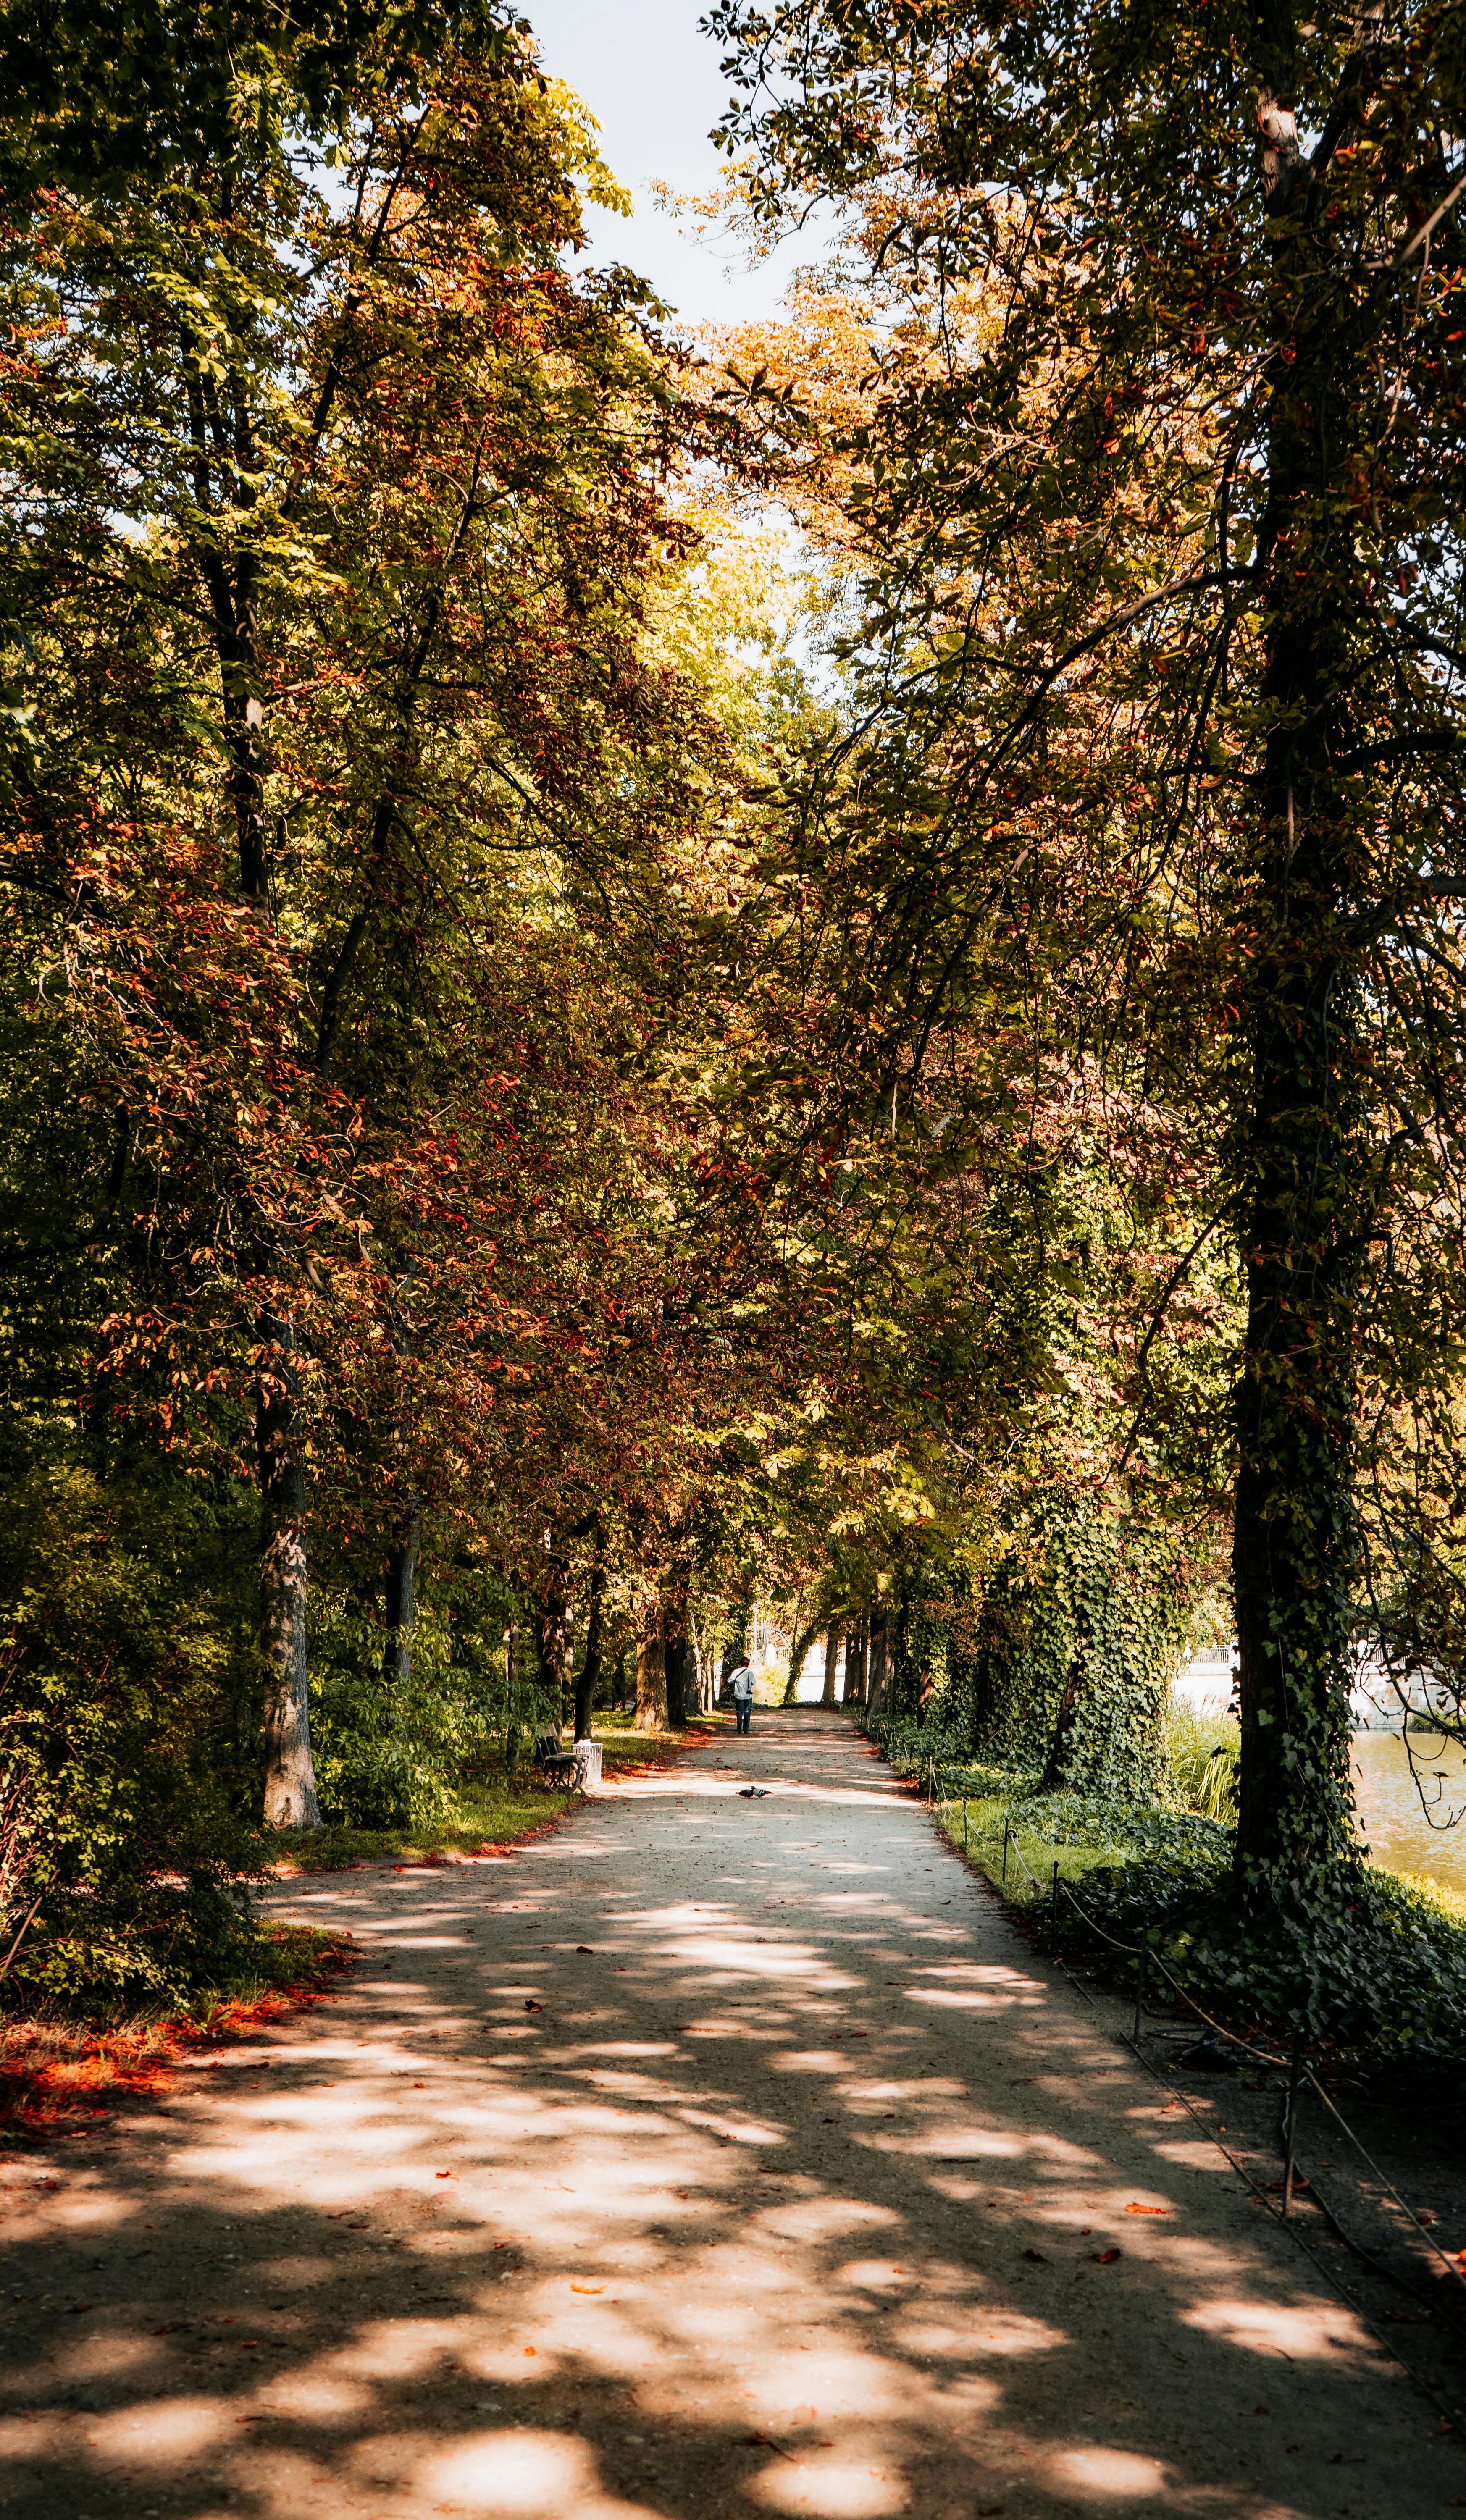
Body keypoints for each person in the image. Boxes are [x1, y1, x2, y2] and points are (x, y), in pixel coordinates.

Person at [729, 1659, 754, 1734]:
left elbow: (729, 1681)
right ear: (748, 1664)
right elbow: (754, 1682)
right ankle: (746, 1730)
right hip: (748, 1696)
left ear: (740, 1663)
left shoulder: (736, 1671)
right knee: (747, 1713)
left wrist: (736, 1681)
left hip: (739, 1695)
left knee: (739, 1711)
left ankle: (740, 1721)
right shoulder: (750, 1672)